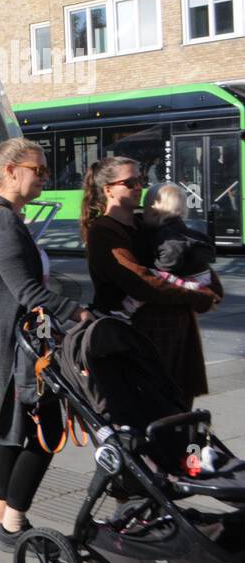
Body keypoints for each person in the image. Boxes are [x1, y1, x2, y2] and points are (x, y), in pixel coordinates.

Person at [0, 138, 92, 552]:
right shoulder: (1, 224)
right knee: (46, 431)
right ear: (10, 171)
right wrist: (80, 313)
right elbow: (29, 293)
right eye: (39, 170)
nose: (45, 178)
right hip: (10, 352)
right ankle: (15, 524)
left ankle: (1, 521)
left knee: (10, 435)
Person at [82, 158, 222, 408]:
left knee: (178, 413)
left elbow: (188, 258)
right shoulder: (104, 231)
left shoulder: (145, 223)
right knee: (152, 416)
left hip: (172, 338)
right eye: (131, 182)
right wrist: (198, 296)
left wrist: (207, 280)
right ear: (108, 189)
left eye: (141, 180)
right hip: (138, 340)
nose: (139, 187)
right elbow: (140, 282)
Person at [119, 182, 216, 316]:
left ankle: (128, 308)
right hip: (200, 278)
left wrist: (157, 268)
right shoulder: (179, 228)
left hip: (191, 282)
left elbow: (171, 258)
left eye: (146, 207)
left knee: (149, 278)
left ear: (154, 209)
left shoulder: (168, 233)